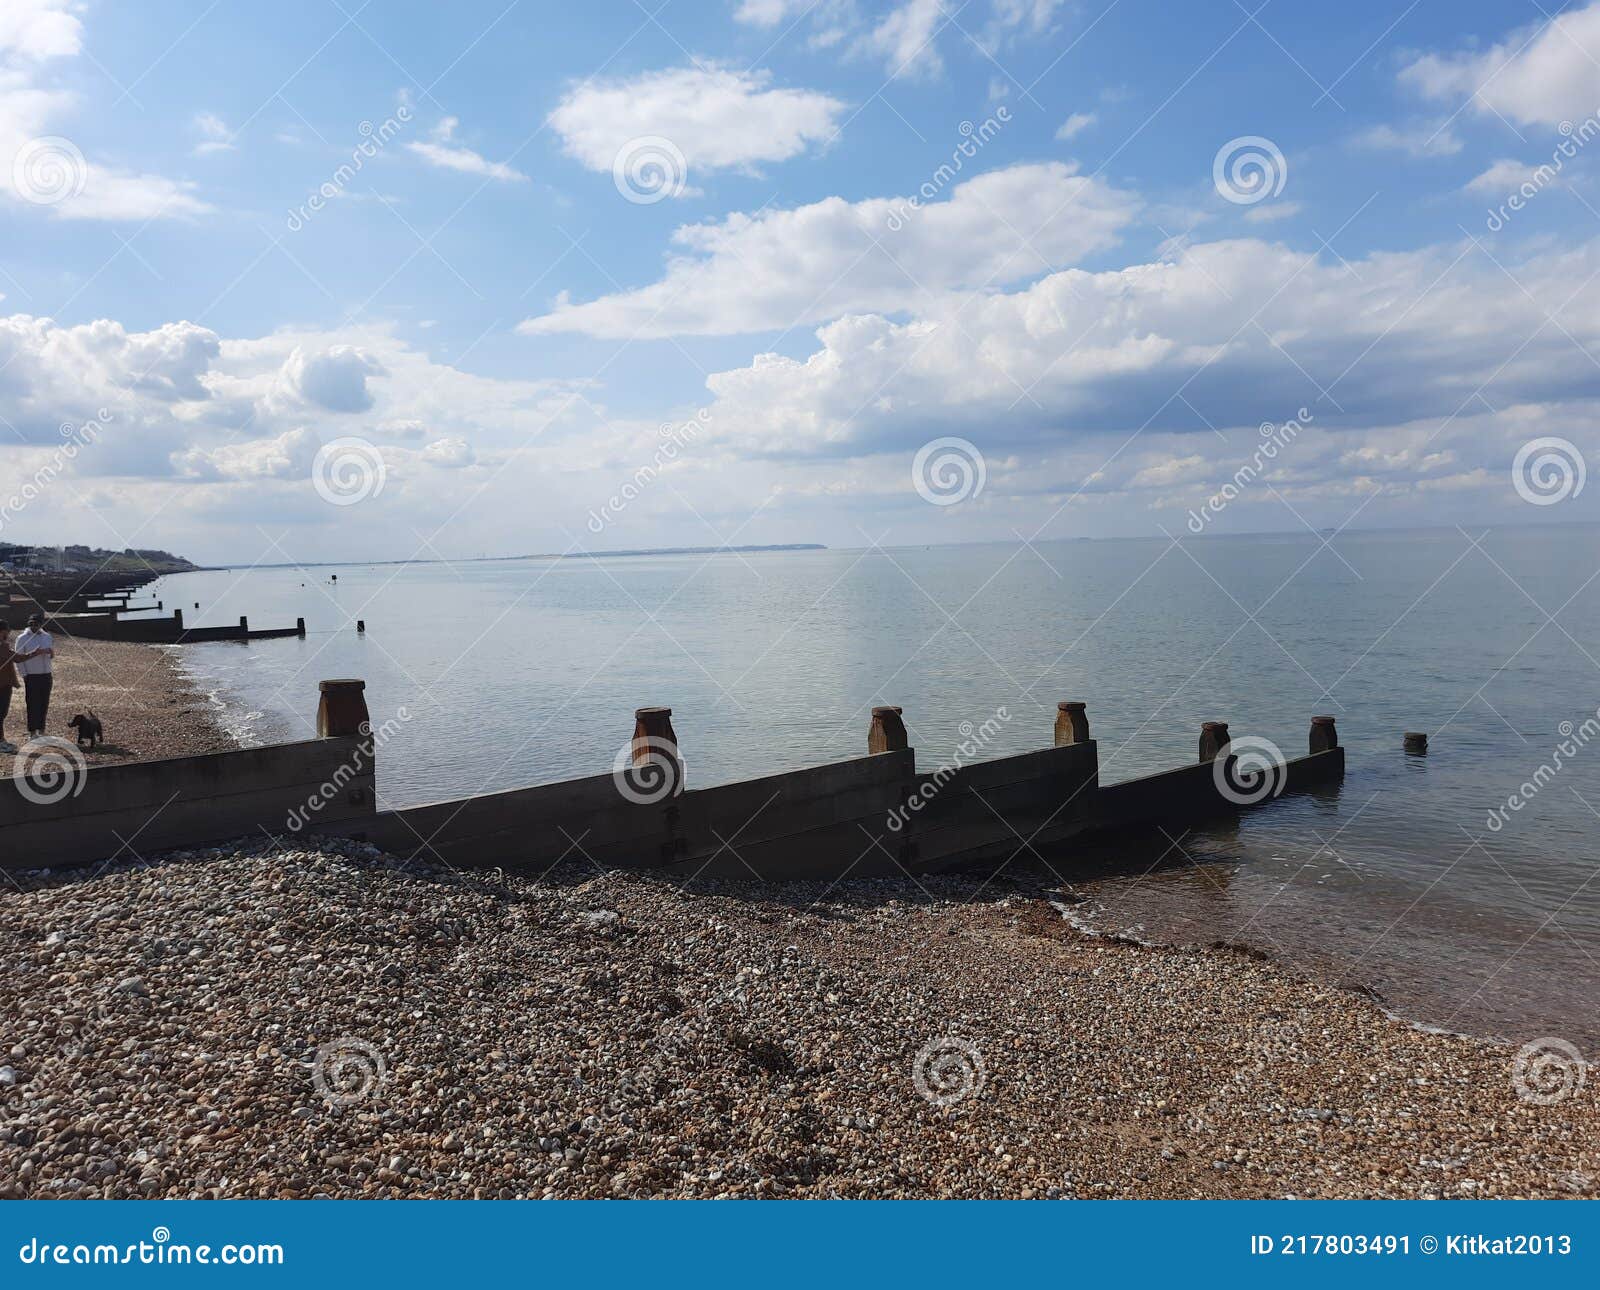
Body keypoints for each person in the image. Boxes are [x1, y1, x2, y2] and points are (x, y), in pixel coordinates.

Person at [0, 619, 42, 754]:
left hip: (4, 684)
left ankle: (2, 740)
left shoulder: (3, 645)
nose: (9, 632)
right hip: (3, 685)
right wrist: (33, 653)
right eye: (7, 630)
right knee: (1, 713)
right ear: (2, 631)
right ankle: (1, 742)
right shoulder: (2, 646)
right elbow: (17, 658)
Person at [14, 613, 54, 741]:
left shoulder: (47, 636)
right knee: (32, 703)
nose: (33, 626)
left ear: (41, 624)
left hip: (46, 674)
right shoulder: (22, 638)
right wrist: (24, 675)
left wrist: (50, 653)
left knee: (44, 702)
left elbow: (51, 654)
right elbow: (18, 658)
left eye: (36, 624)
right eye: (31, 624)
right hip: (32, 675)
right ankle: (32, 731)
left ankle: (41, 730)